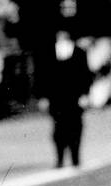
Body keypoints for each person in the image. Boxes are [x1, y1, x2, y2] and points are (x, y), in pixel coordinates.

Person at [42, 31, 91, 169]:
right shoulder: (50, 53)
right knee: (58, 131)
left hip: (74, 98)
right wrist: (44, 97)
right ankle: (60, 159)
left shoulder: (79, 52)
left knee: (75, 129)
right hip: (56, 99)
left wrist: (85, 94)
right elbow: (44, 76)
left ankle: (75, 158)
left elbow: (85, 75)